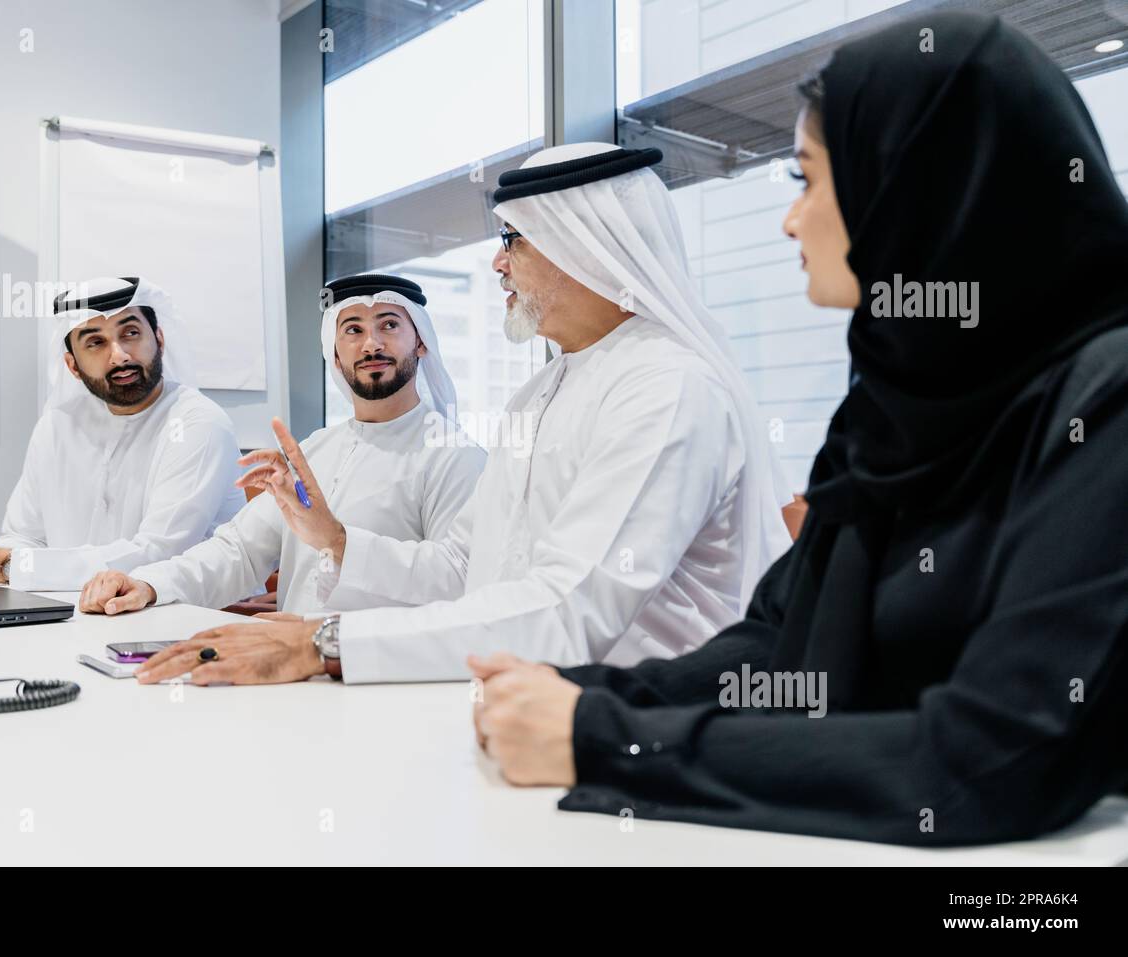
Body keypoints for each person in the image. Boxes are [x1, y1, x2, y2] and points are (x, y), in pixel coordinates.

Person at [471, 11, 1128, 847]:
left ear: (914, 187)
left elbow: (992, 755)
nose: (791, 220)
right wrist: (580, 693)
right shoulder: (894, 404)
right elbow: (783, 643)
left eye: (809, 180)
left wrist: (605, 739)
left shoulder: (1105, 405)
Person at [134, 145, 792, 687]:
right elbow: (461, 569)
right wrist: (337, 549)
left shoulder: (666, 387)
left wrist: (328, 641)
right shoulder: (538, 395)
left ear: (584, 246)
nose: (498, 263)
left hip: (647, 745)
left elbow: (570, 608)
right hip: (523, 717)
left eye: (514, 240)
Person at [76, 274, 485, 618]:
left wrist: (338, 541)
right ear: (336, 356)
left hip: (382, 680)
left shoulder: (456, 455)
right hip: (290, 670)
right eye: (354, 330)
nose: (371, 345)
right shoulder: (317, 451)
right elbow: (238, 551)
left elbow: (457, 578)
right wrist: (148, 584)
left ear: (422, 342)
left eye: (390, 326)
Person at [0, 277, 244, 592]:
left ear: (159, 340)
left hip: (186, 621)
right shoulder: (57, 426)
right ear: (72, 366)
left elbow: (157, 556)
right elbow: (25, 537)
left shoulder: (198, 424)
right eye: (96, 342)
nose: (119, 355)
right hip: (75, 613)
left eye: (130, 333)